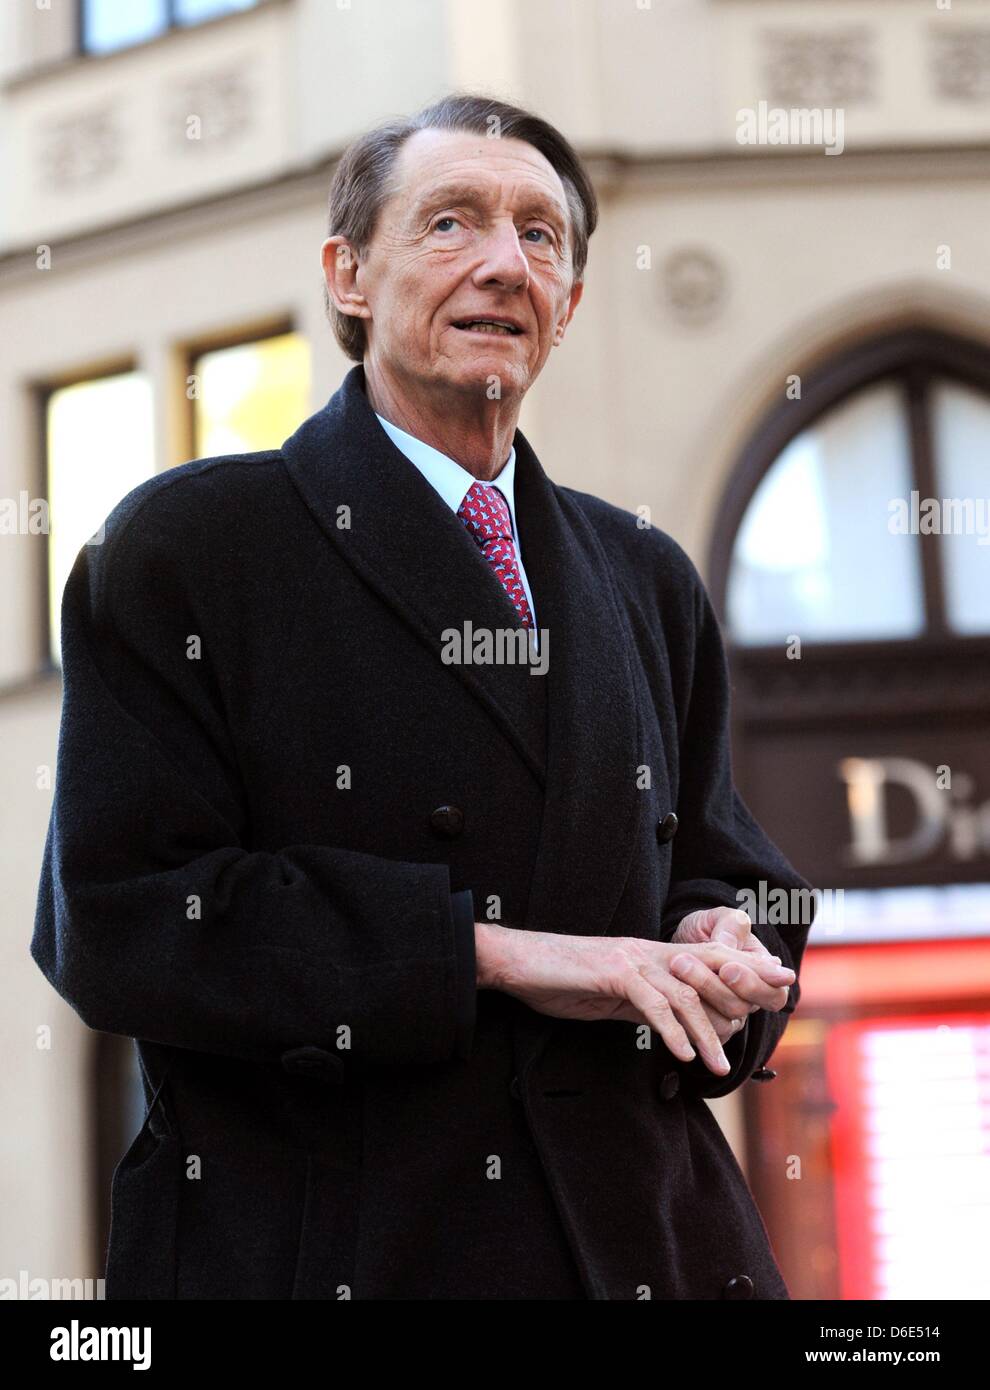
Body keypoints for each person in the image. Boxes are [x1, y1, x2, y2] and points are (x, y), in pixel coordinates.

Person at [32, 93, 814, 1300]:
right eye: (452, 222)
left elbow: (720, 859)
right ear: (348, 275)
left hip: (652, 1250)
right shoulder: (189, 545)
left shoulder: (641, 571)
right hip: (339, 1250)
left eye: (542, 235)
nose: (506, 261)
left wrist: (728, 941)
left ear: (571, 301)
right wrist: (489, 955)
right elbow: (124, 918)